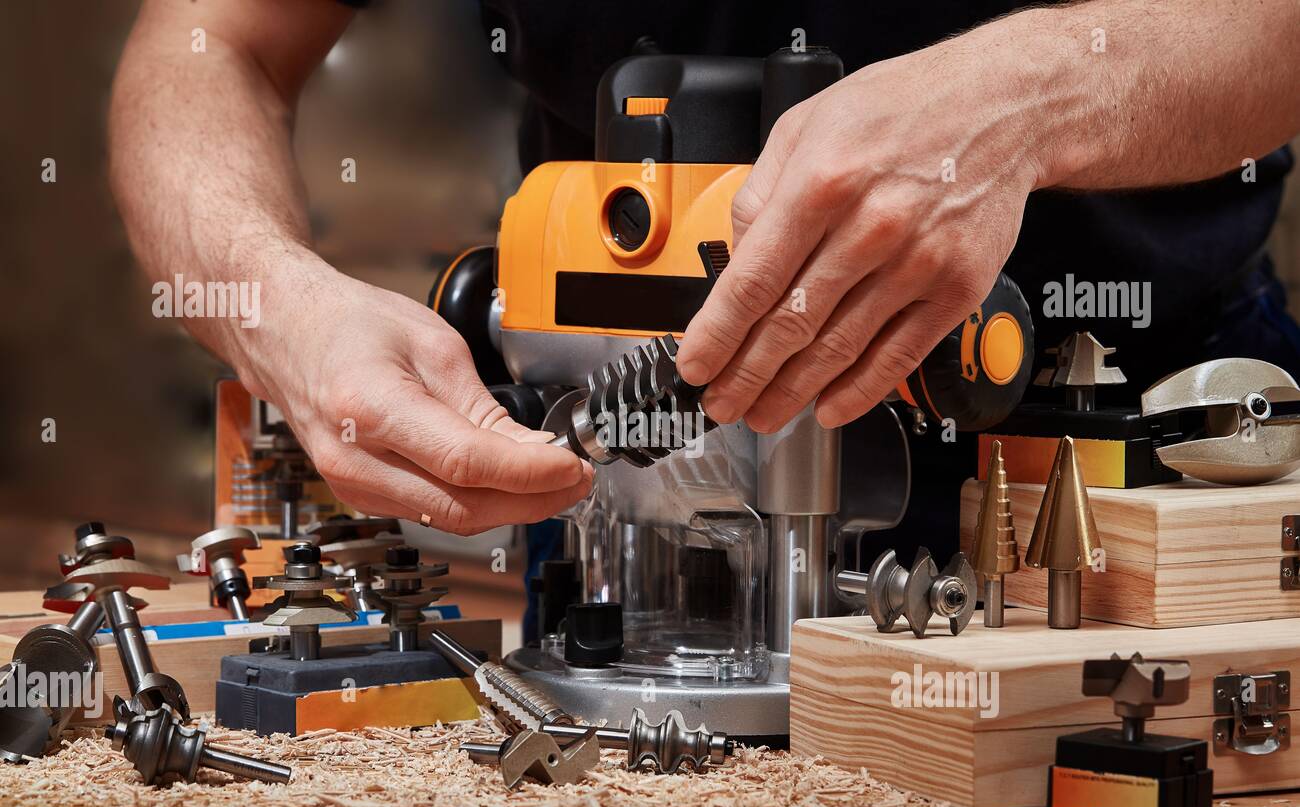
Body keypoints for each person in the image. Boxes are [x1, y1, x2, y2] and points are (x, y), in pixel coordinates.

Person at [111, 0, 1300, 541]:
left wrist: (1029, 96)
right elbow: (209, 43)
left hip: (1119, 459)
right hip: (618, 481)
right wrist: (277, 305)